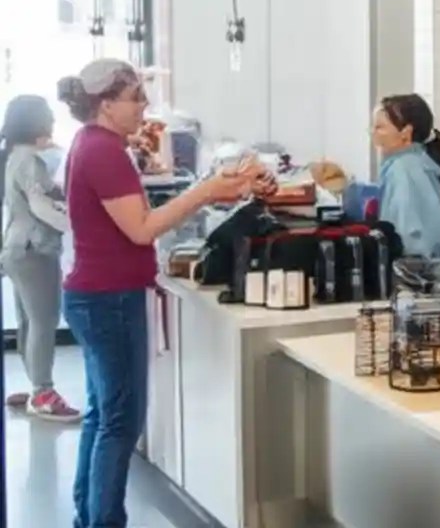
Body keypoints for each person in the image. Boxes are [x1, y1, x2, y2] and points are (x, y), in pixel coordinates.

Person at [56, 59, 254, 528]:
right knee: (120, 422)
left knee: (102, 415)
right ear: (106, 104)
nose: (144, 106)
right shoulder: (103, 151)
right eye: (136, 98)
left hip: (92, 294)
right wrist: (204, 192)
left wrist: (209, 192)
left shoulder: (95, 144)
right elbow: (141, 230)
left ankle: (90, 516)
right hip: (109, 298)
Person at [0, 95, 78, 421]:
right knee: (45, 321)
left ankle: (35, 386)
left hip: (16, 249)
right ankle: (43, 391)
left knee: (28, 321)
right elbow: (41, 206)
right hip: (35, 249)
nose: (52, 122)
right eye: (48, 116)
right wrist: (80, 224)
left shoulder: (14, 157)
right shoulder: (31, 161)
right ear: (34, 122)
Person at [370, 94, 440, 259]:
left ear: (406, 132)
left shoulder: (404, 169)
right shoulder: (415, 163)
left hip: (411, 273)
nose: (373, 133)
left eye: (380, 127)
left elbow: (409, 235)